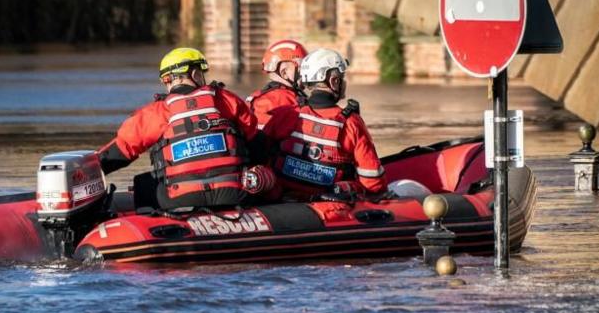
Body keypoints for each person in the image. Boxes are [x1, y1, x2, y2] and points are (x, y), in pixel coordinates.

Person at [97, 47, 278, 210]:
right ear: (195, 74)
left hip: (177, 198)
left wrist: (92, 168)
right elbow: (257, 144)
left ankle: (152, 230)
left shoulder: (158, 112)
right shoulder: (226, 100)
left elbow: (120, 151)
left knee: (143, 184)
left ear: (168, 81)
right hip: (233, 193)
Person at [263, 48, 386, 200]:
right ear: (334, 82)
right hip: (330, 205)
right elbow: (373, 181)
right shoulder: (351, 122)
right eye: (342, 78)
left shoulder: (286, 114)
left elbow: (260, 153)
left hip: (284, 200)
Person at [247, 39, 307, 130]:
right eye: (302, 68)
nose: (306, 73)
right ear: (284, 72)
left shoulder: (254, 97)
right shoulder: (293, 101)